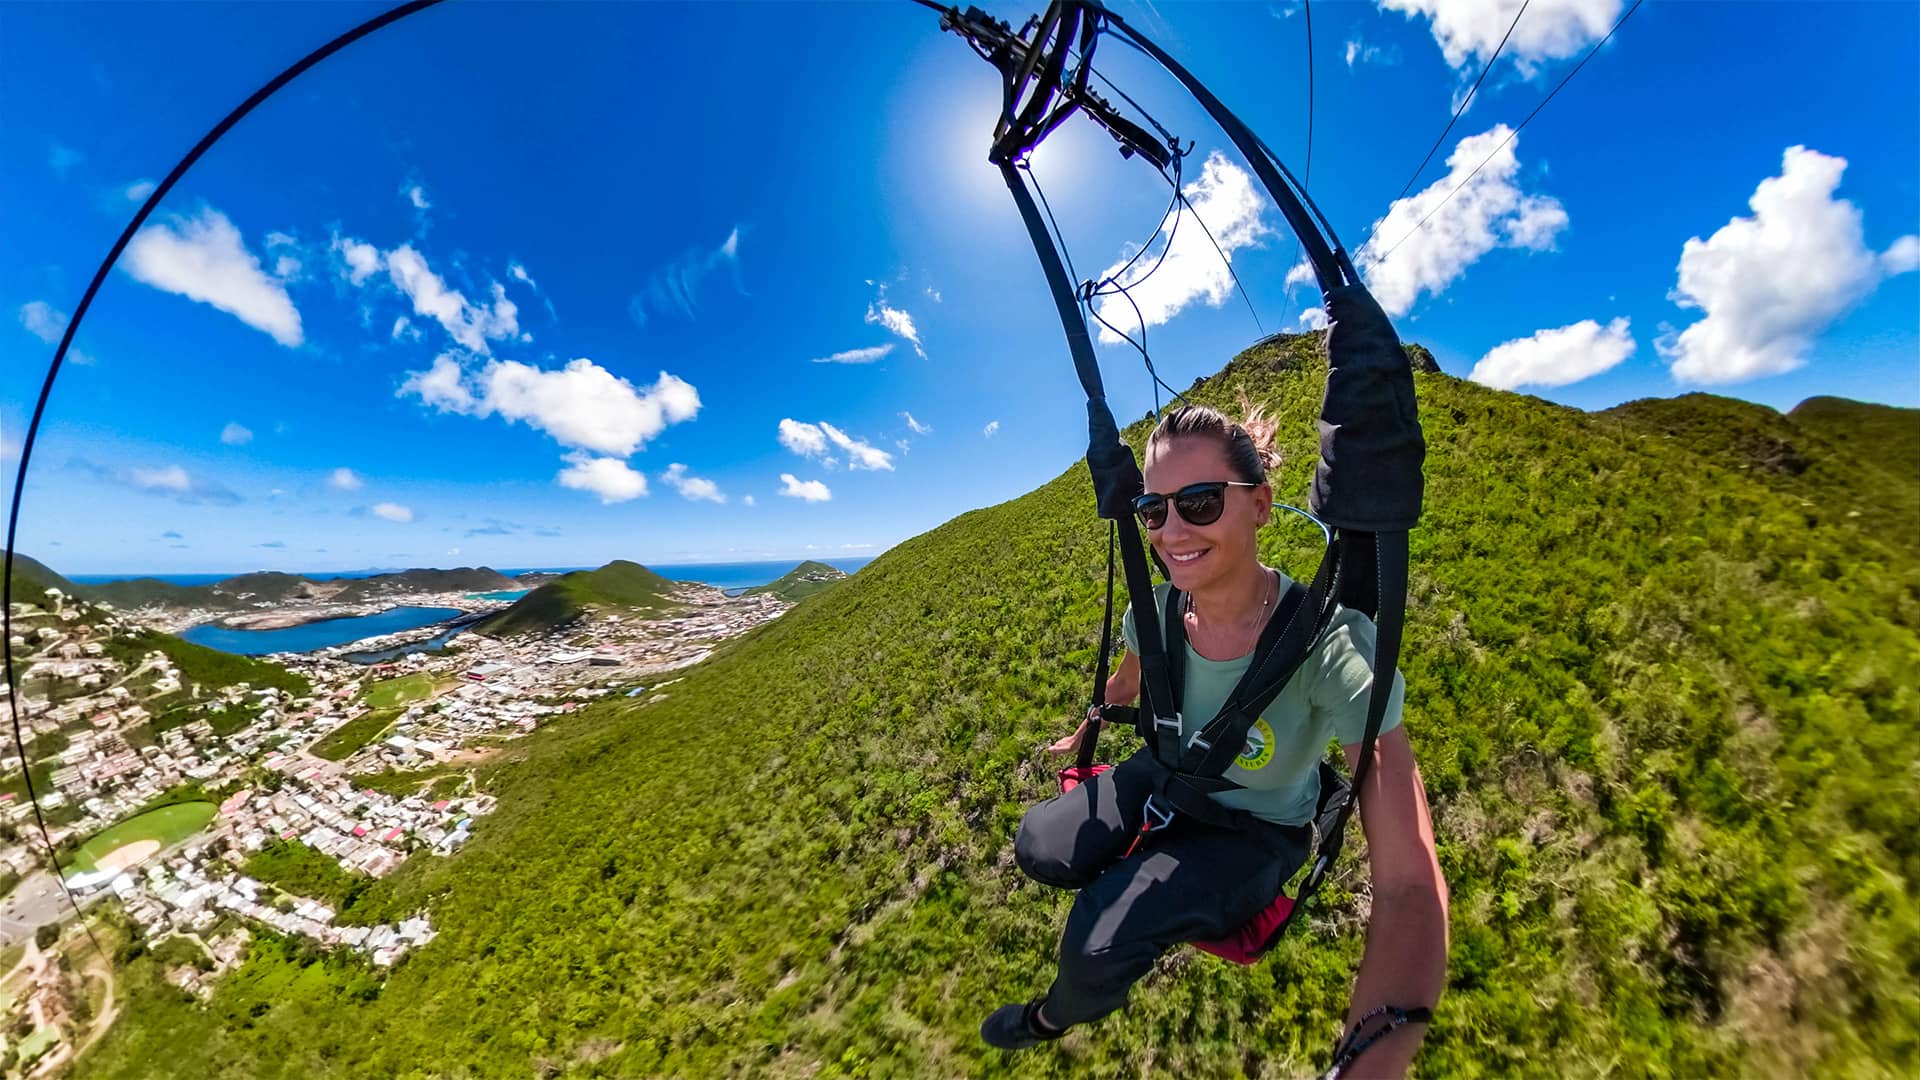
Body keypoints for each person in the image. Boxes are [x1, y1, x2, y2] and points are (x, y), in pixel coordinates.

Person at [980, 401, 1448, 1077]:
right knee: (1038, 845)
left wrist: (1370, 1064)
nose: (1171, 531)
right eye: (1153, 509)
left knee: (1094, 945)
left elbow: (1409, 880)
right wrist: (1091, 723)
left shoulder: (1331, 646)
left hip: (1254, 826)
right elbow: (1129, 682)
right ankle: (1140, 874)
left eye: (1199, 502)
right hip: (1168, 770)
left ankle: (1049, 1018)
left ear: (1259, 505)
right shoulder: (1160, 609)